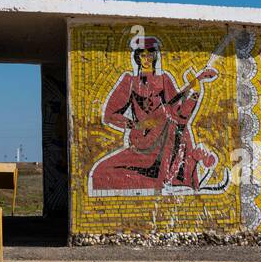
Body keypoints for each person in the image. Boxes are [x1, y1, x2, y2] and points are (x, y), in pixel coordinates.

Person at [89, 36, 224, 193]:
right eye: (143, 55)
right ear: (137, 58)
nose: (147, 59)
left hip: (166, 141)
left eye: (150, 54)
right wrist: (135, 125)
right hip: (142, 143)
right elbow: (109, 115)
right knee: (101, 171)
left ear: (155, 56)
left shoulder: (164, 79)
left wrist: (197, 86)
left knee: (174, 125)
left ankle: (176, 176)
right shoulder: (130, 81)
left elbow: (179, 113)